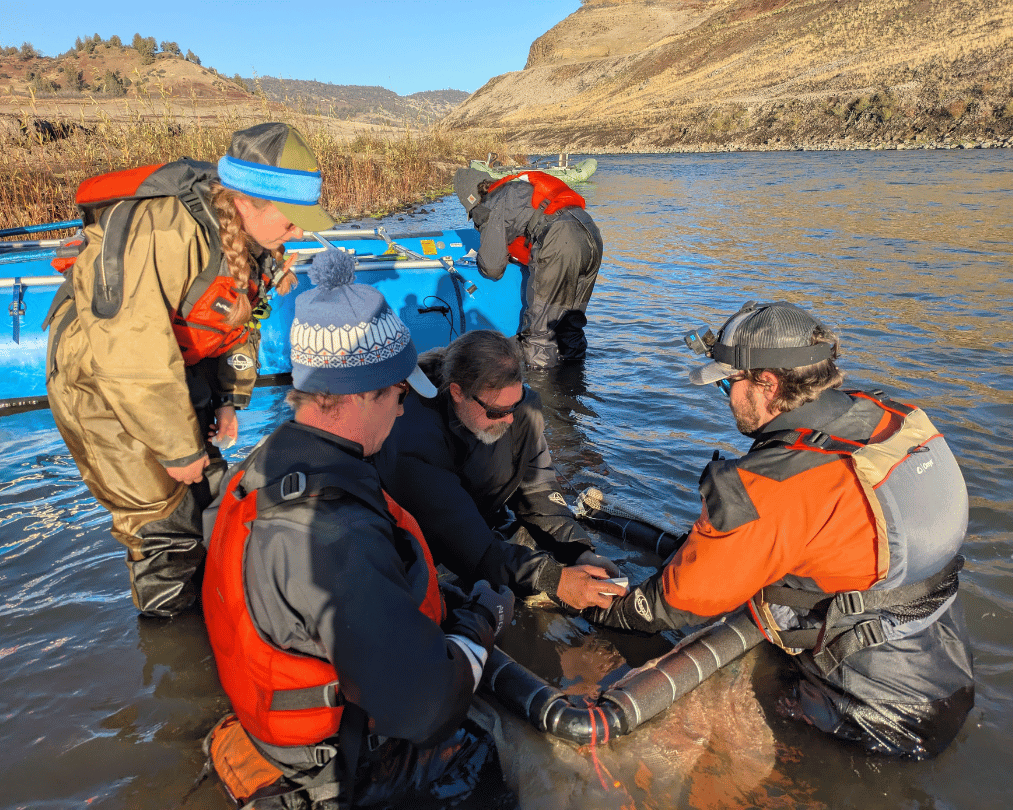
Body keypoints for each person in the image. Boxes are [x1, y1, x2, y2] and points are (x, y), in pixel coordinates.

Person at [585, 301, 975, 759]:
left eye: (730, 383)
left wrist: (596, 603)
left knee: (723, 748)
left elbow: (678, 603)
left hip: (873, 714)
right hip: (949, 669)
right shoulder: (894, 416)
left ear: (767, 385)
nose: (727, 397)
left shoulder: (769, 485)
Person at [200, 250, 515, 808]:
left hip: (265, 725)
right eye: (396, 396)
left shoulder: (260, 469)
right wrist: (479, 625)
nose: (400, 414)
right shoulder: (335, 531)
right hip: (326, 764)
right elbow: (421, 709)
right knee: (484, 758)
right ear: (360, 394)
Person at [44, 122, 332, 617]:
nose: (300, 232)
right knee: (163, 525)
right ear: (245, 203)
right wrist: (177, 448)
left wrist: (229, 399)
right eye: (290, 221)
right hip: (100, 381)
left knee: (214, 493)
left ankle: (219, 617)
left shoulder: (257, 244)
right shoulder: (165, 228)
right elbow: (128, 350)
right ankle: (172, 643)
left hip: (178, 369)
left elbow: (241, 323)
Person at [374, 328, 627, 611]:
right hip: (425, 543)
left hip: (481, 520)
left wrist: (579, 552)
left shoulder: (521, 411)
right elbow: (466, 544)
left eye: (514, 405)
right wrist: (554, 580)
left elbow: (540, 489)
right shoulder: (413, 439)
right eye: (496, 412)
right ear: (458, 392)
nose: (509, 420)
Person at [453, 166, 603, 369]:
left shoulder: (490, 205)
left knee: (540, 335)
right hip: (591, 233)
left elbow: (492, 267)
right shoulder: (513, 188)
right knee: (570, 326)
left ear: (471, 200)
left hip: (560, 239)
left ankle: (542, 394)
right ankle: (574, 388)